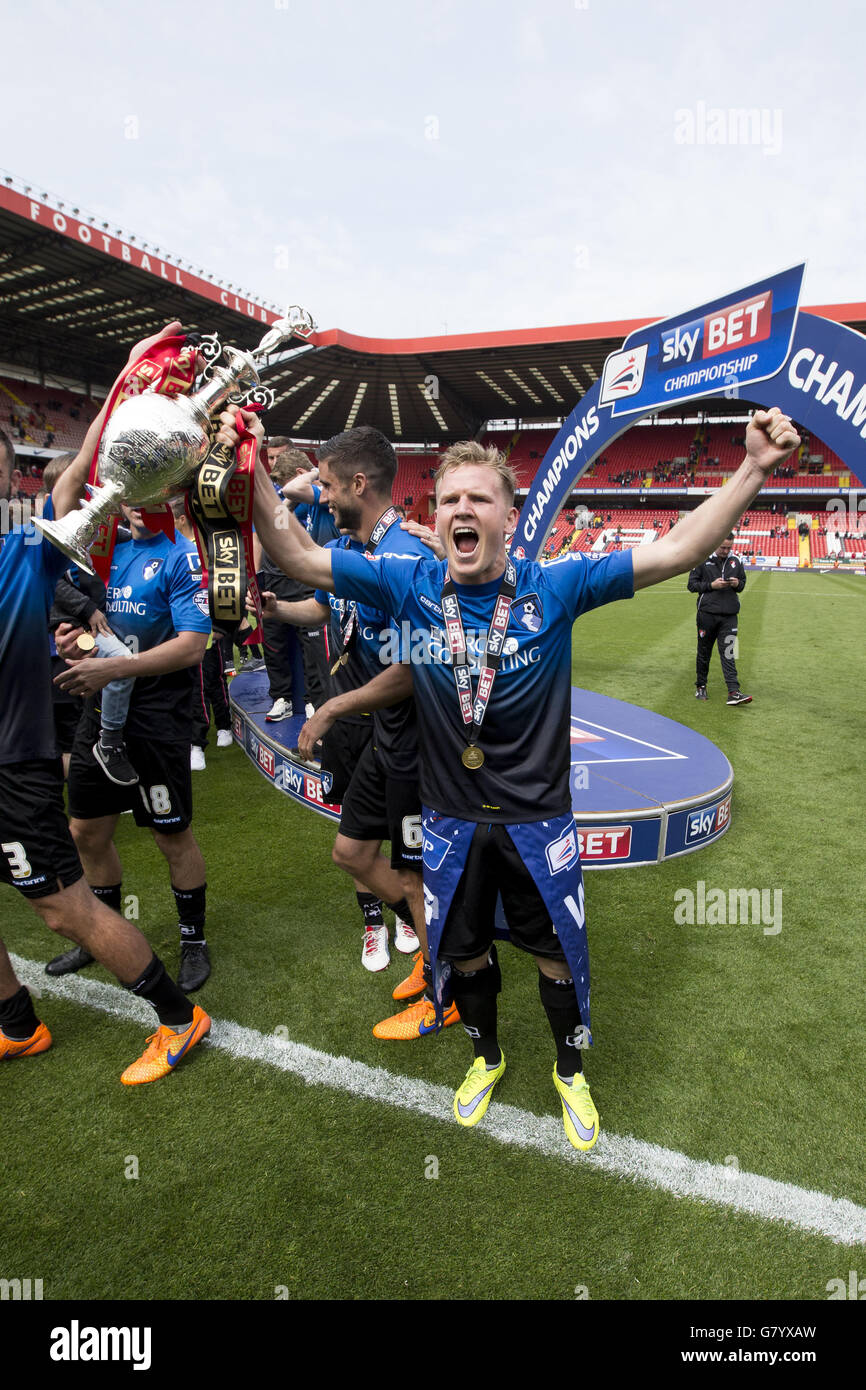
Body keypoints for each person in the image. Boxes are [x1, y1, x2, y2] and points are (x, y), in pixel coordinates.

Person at [228, 405, 800, 1149]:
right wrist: (251, 469)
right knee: (463, 950)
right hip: (449, 819)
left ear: (508, 516)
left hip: (538, 823)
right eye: (449, 500)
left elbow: (677, 549)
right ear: (435, 517)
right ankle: (487, 1056)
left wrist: (752, 467)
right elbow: (300, 557)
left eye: (479, 498)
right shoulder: (407, 583)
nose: (462, 509)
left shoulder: (554, 586)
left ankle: (569, 1069)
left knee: (555, 953)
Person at [0, 327, 210, 1084]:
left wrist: (125, 380)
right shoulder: (83, 550)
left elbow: (78, 480)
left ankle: (182, 995)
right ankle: (23, 1015)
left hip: (58, 745)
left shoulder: (29, 549)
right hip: (90, 714)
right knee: (86, 835)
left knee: (84, 893)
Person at [49, 498, 213, 994]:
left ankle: (193, 940)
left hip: (157, 719)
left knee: (171, 835)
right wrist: (72, 642)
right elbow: (83, 625)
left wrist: (116, 668)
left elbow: (193, 645)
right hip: (98, 715)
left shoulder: (182, 554)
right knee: (86, 832)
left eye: (153, 494)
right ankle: (101, 934)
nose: (142, 506)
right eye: (134, 496)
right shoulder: (104, 550)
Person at [687, 534, 751, 705]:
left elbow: (742, 584)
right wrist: (711, 585)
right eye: (723, 547)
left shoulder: (736, 561)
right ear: (716, 543)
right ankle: (701, 686)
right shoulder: (702, 559)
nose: (726, 551)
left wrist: (737, 584)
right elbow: (691, 585)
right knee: (704, 652)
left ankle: (734, 691)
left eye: (729, 548)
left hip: (730, 616)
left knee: (729, 652)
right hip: (707, 615)